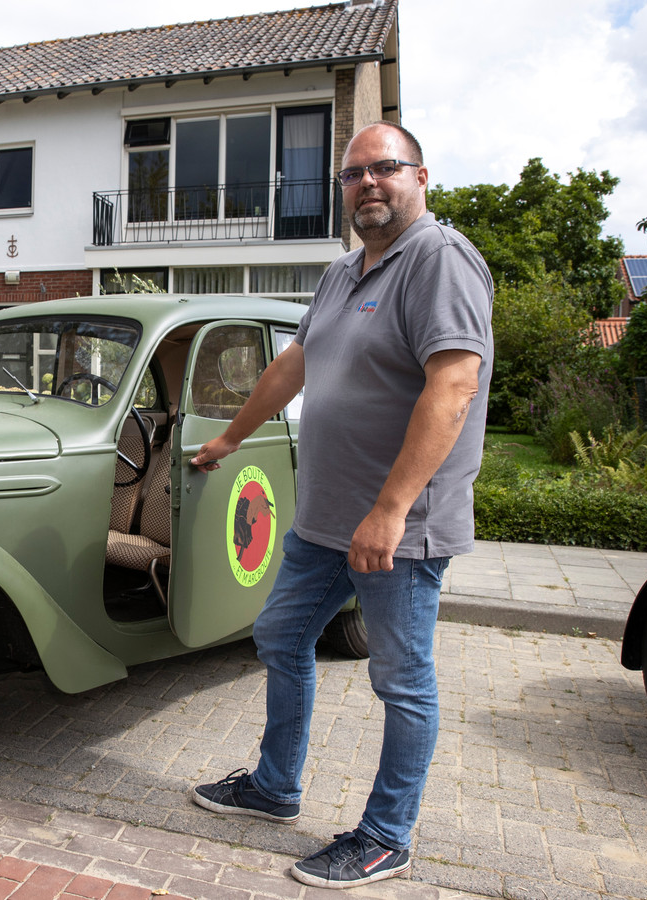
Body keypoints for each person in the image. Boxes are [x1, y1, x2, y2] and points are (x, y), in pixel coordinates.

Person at [188, 121, 493, 890]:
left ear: (422, 175)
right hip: (325, 522)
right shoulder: (345, 271)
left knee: (401, 680)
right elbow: (294, 364)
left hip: (398, 529)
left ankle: (388, 836)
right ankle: (275, 786)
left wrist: (390, 509)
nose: (367, 184)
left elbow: (453, 387)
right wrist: (229, 440)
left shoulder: (440, 260)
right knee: (280, 635)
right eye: (353, 174)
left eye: (384, 168)